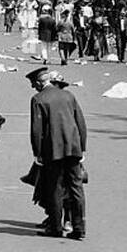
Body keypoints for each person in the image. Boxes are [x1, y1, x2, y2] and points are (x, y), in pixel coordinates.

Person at [28, 67, 87, 239]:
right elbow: (80, 123)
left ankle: (55, 227)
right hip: (74, 149)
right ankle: (79, 228)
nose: (33, 87)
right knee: (76, 189)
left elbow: (36, 130)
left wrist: (37, 152)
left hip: (53, 150)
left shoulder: (38, 99)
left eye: (33, 83)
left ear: (40, 82)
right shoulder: (69, 95)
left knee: (55, 188)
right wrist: (82, 147)